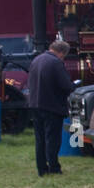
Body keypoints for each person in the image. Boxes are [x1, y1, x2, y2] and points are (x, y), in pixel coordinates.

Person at [26, 39, 74, 177]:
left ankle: (41, 168)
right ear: (61, 52)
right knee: (52, 139)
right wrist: (73, 86)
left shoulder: (36, 60)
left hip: (35, 104)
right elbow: (66, 86)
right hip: (52, 106)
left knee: (40, 139)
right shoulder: (56, 63)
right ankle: (54, 167)